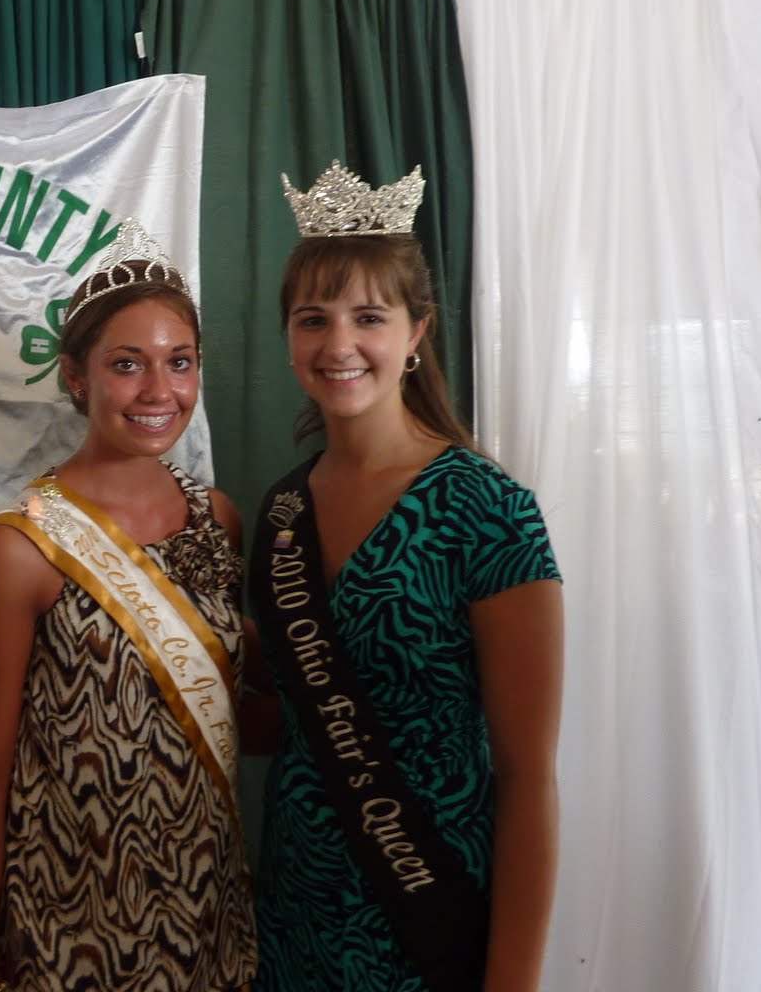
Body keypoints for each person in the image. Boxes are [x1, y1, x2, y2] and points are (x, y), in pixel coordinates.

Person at [250, 162, 564, 992]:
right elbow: (292, 720)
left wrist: (513, 983)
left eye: (369, 317)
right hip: (292, 922)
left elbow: (529, 776)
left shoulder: (488, 509)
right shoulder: (280, 514)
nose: (338, 344)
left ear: (417, 332)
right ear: (287, 335)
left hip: (430, 919)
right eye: (312, 319)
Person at [0, 222, 257, 992]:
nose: (160, 392)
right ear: (77, 377)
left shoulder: (219, 519)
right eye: (128, 366)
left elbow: (231, 717)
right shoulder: (20, 548)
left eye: (179, 364)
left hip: (209, 921)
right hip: (70, 929)